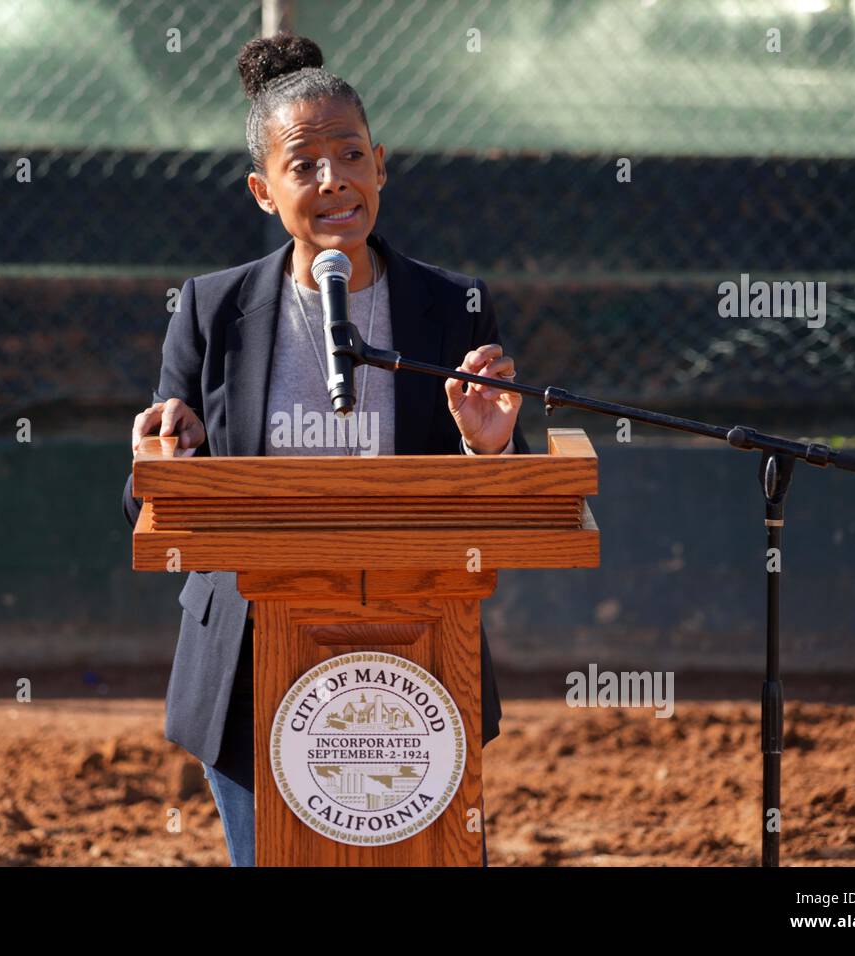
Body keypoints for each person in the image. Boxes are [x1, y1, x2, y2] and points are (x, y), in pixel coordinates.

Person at [121, 32, 527, 867]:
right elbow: (152, 508)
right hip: (248, 672)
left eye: (350, 156)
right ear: (263, 191)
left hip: (418, 659)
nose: (332, 180)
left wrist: (487, 449)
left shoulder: (454, 309)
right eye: (302, 165)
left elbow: (501, 506)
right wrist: (167, 465)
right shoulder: (210, 310)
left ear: (380, 164)